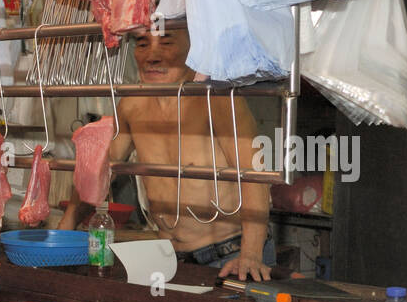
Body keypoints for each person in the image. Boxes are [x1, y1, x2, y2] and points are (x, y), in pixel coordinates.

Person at [58, 29, 274, 281]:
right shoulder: (132, 104)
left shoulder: (217, 98)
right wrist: (66, 228)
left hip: (230, 256)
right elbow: (99, 171)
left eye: (167, 43)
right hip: (170, 257)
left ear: (193, 47)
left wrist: (251, 254)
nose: (152, 56)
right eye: (142, 44)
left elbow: (254, 176)